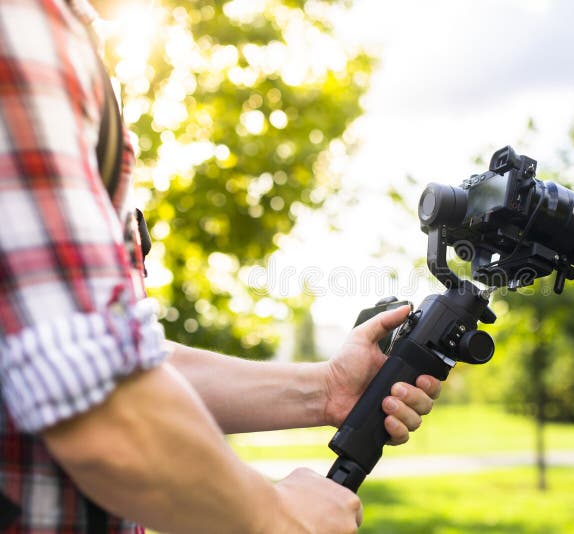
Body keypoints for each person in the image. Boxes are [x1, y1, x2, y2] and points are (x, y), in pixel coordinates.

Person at [0, 0, 441, 532]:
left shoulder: (64, 40)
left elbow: (114, 356)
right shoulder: (26, 28)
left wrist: (326, 389)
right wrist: (276, 517)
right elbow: (91, 399)